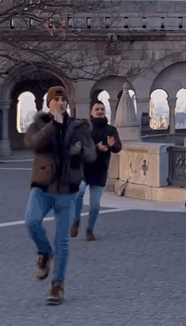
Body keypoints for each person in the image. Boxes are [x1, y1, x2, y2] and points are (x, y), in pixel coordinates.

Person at [23, 86, 96, 306]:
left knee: (62, 240)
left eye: (64, 99)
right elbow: (33, 143)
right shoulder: (39, 124)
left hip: (67, 188)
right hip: (42, 186)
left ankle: (57, 285)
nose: (61, 103)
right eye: (56, 99)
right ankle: (44, 253)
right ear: (49, 103)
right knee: (32, 221)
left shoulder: (78, 127)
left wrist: (80, 151)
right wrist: (53, 125)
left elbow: (91, 155)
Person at [70, 100, 122, 241]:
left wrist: (112, 146)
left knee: (95, 204)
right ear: (91, 112)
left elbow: (118, 148)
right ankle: (76, 221)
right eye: (97, 109)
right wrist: (96, 147)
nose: (100, 111)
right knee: (78, 194)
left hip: (100, 169)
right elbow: (79, 146)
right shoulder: (85, 129)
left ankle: (90, 230)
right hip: (84, 167)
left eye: (102, 109)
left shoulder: (111, 130)